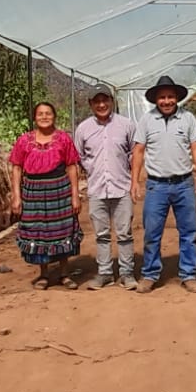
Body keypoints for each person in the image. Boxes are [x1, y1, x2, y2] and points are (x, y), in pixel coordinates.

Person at [131, 75, 196, 294]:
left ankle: (188, 274)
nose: (166, 101)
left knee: (188, 232)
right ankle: (150, 274)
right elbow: (138, 151)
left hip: (184, 184)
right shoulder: (147, 120)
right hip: (156, 186)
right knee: (152, 233)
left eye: (170, 97)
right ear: (156, 99)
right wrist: (134, 181)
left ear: (177, 98)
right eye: (162, 97)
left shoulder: (188, 119)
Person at [8, 101, 83, 290]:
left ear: (54, 116)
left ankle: (65, 274)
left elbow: (72, 167)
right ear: (34, 117)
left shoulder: (64, 139)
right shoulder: (24, 140)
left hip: (59, 190)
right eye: (40, 114)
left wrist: (75, 195)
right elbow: (16, 168)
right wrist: (16, 196)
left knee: (62, 230)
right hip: (33, 192)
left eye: (48, 113)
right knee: (39, 232)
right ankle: (44, 274)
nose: (44, 117)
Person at [73, 85, 139, 291]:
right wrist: (92, 169)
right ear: (91, 104)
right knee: (101, 234)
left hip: (121, 188)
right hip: (97, 189)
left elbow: (134, 153)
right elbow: (79, 157)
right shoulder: (83, 129)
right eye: (97, 101)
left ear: (112, 101)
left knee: (124, 233)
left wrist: (132, 179)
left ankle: (127, 273)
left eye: (105, 100)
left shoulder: (126, 125)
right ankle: (105, 273)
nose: (102, 105)